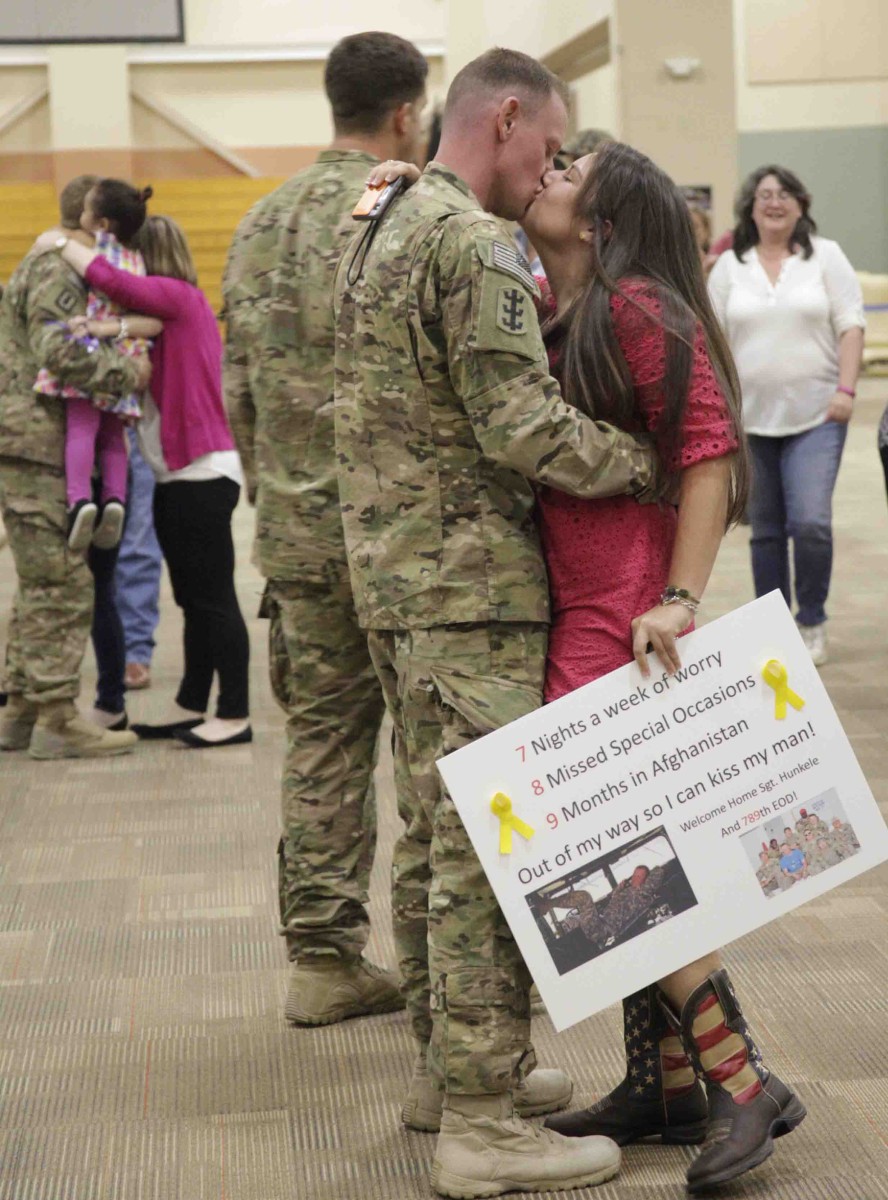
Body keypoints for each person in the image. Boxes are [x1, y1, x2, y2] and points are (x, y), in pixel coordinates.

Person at [334, 47, 661, 1198]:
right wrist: (641, 461)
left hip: (397, 577)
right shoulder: (470, 238)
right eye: (549, 144)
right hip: (466, 589)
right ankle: (483, 1118)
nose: (550, 170)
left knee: (433, 833)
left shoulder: (381, 218)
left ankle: (450, 1071)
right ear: (506, 117)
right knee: (486, 851)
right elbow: (519, 421)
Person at [504, 141, 802, 1192]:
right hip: (590, 604)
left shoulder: (634, 303)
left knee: (602, 859)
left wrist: (677, 597)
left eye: (570, 171)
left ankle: (741, 1078)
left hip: (624, 611)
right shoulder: (566, 302)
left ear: (606, 217)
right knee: (625, 851)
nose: (548, 172)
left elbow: (709, 453)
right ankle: (667, 1085)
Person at [222, 31, 429, 1028]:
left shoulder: (261, 221)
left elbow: (239, 391)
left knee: (325, 746)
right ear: (404, 114)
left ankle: (322, 959)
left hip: (300, 539)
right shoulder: (409, 205)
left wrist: (276, 490)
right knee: (429, 757)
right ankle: (442, 979)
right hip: (401, 535)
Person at [35, 217, 251, 749]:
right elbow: (134, 319)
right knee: (192, 598)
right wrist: (109, 329)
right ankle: (192, 704)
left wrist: (62, 242)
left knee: (214, 599)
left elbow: (118, 285)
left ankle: (236, 713)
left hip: (201, 473)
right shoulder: (165, 313)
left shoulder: (177, 295)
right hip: (178, 475)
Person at [0, 176, 145, 759]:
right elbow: (59, 349)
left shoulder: (40, 262)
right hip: (36, 440)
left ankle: (19, 709)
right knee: (62, 583)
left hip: (30, 439)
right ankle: (59, 716)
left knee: (40, 582)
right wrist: (129, 375)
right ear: (93, 222)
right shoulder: (58, 270)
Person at [709, 165, 865, 666]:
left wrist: (846, 388)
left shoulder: (826, 256)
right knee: (767, 531)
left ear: (801, 203)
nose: (773, 202)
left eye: (783, 194)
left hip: (818, 415)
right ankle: (771, 626)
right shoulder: (731, 266)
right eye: (763, 195)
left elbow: (851, 325)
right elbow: (711, 340)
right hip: (750, 421)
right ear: (750, 207)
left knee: (812, 522)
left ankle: (812, 619)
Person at [36, 179, 156, 553]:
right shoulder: (137, 259)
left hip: (91, 352)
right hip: (125, 356)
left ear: (102, 223)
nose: (81, 216)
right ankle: (116, 499)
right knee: (113, 437)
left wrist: (54, 241)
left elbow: (71, 257)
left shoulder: (93, 251)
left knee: (81, 429)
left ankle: (79, 501)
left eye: (87, 210)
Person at [116, 427, 163, 691]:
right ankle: (40, 660)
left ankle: (134, 651)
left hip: (137, 418)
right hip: (70, 413)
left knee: (138, 541)